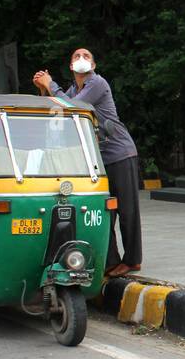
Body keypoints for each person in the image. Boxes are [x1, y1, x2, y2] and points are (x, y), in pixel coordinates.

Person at [33, 48, 141, 278]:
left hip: (120, 153)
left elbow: (73, 107)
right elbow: (56, 112)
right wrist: (45, 90)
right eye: (76, 56)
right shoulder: (73, 89)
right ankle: (111, 261)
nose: (81, 58)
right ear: (71, 67)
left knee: (127, 210)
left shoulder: (97, 83)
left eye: (87, 56)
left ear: (93, 65)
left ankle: (132, 260)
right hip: (98, 159)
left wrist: (51, 84)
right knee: (103, 211)